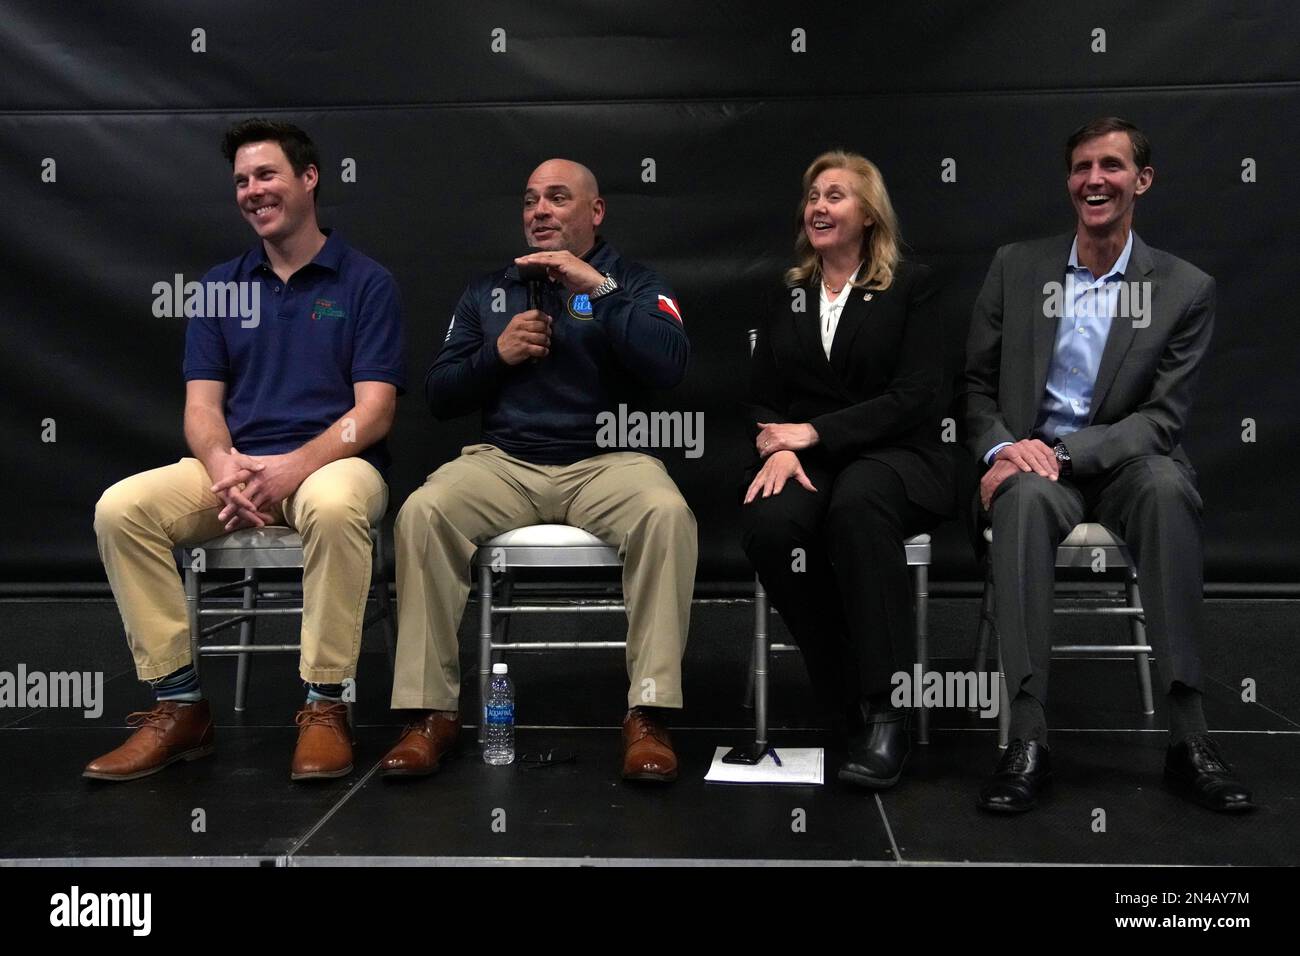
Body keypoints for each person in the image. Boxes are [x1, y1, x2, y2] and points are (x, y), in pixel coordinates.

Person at [87, 119, 404, 782]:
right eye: (241, 181)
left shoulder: (366, 282)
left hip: (335, 466)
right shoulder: (220, 287)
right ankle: (180, 707)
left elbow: (373, 412)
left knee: (338, 502)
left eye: (266, 175)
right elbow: (201, 408)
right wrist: (225, 465)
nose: (252, 191)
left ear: (308, 179)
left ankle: (324, 705)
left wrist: (292, 468)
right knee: (122, 508)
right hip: (238, 469)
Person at [961, 117, 1254, 813]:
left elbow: (1161, 420)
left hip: (1126, 464)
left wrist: (1062, 452)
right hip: (1034, 466)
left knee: (1166, 489)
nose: (1095, 179)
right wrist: (1004, 449)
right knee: (1025, 500)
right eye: (1082, 167)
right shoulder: (1017, 266)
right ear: (1069, 182)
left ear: (1141, 181)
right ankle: (1027, 739)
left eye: (1113, 166)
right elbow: (973, 386)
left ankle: (1190, 740)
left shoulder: (1184, 288)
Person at [380, 159, 695, 783]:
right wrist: (495, 358)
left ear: (595, 212)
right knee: (423, 511)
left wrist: (595, 289)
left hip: (609, 460)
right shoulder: (489, 290)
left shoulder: (631, 279)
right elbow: (440, 394)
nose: (539, 211)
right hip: (506, 463)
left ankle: (648, 713)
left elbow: (671, 366)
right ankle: (432, 715)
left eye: (557, 198)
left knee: (667, 514)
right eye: (530, 201)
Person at [741, 150, 954, 789]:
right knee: (771, 526)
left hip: (901, 453)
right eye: (813, 196)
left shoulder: (913, 285)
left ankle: (888, 711)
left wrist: (813, 432)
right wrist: (778, 445)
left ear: (868, 214)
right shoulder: (788, 294)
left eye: (835, 195)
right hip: (811, 459)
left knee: (858, 508)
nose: (819, 207)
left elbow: (919, 394)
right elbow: (761, 397)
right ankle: (843, 687)